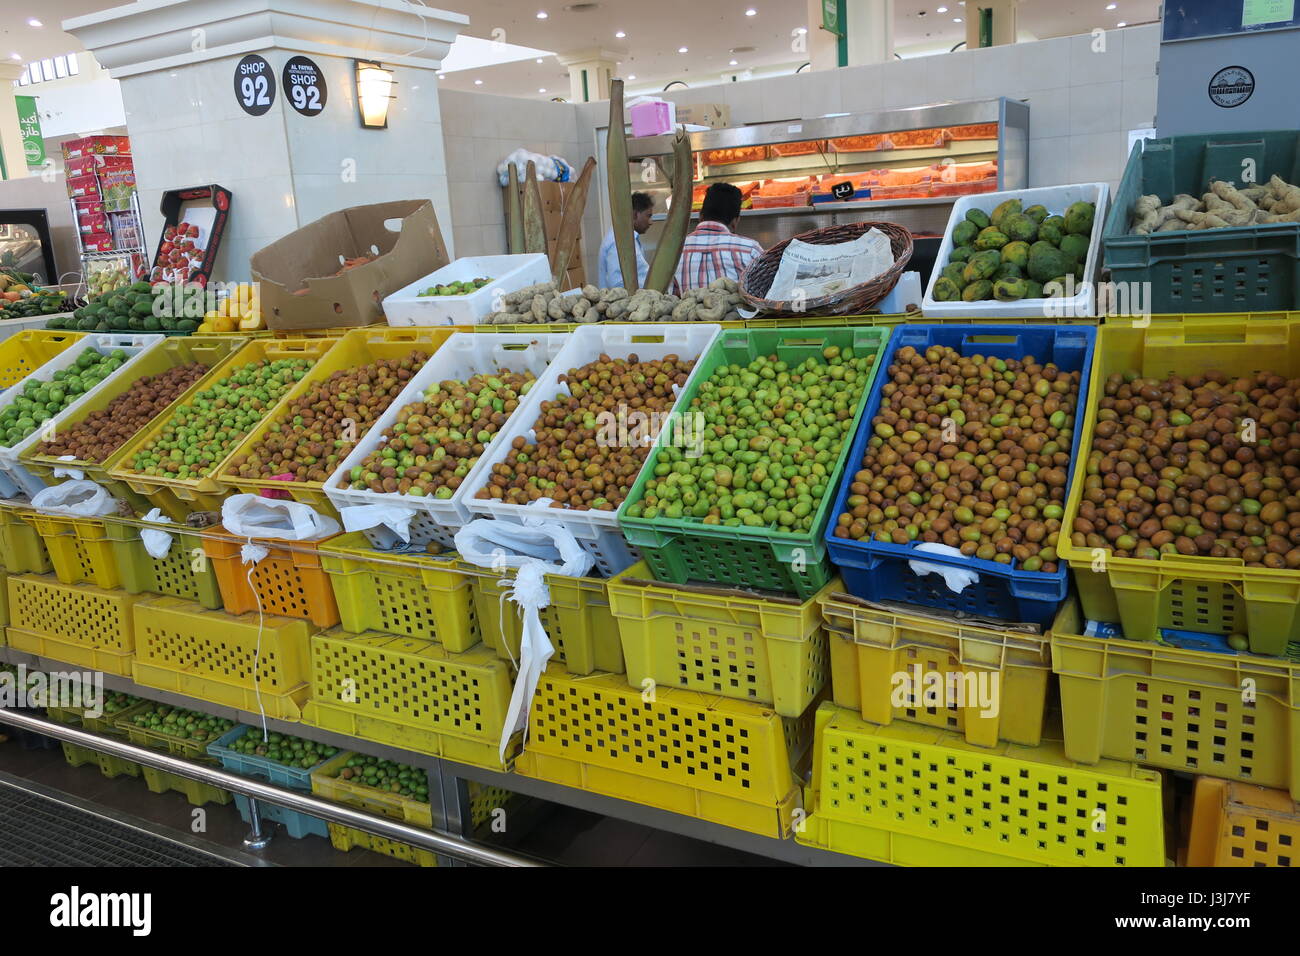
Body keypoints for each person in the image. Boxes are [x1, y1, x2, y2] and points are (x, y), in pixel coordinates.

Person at [674, 182, 764, 293]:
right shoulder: (750, 250)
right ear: (735, 221)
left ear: (700, 216)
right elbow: (766, 293)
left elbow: (670, 296)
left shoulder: (674, 251)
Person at [598, 192, 654, 288]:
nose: (650, 222)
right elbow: (617, 284)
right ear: (635, 214)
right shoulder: (619, 241)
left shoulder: (629, 238)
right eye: (648, 216)